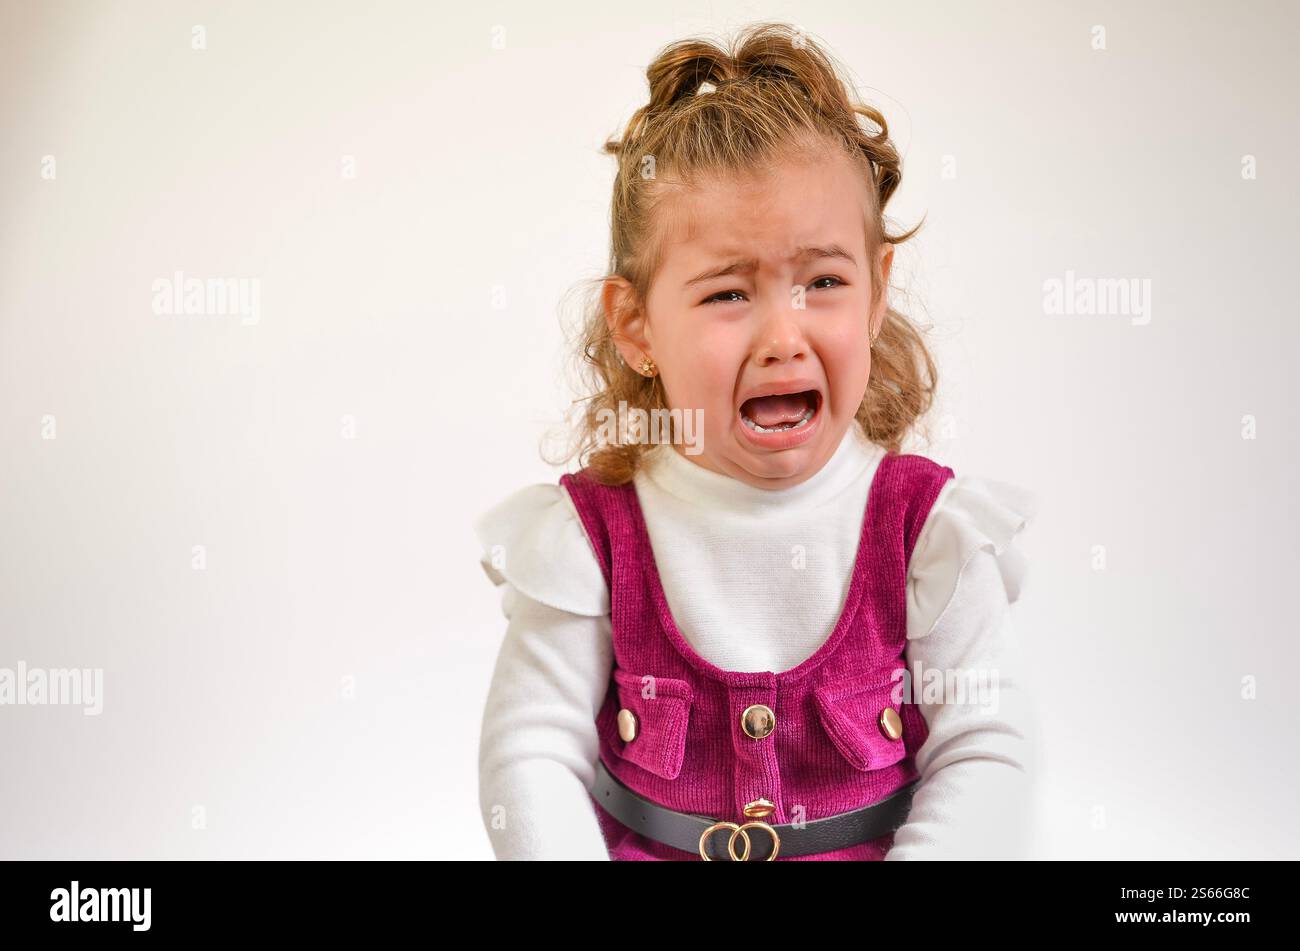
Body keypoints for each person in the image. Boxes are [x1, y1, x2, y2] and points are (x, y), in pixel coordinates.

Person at [474, 21, 1038, 860]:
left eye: (823, 282)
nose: (784, 334)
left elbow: (985, 750)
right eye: (729, 294)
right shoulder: (591, 542)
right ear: (636, 327)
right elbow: (530, 755)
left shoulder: (929, 533)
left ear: (877, 293)